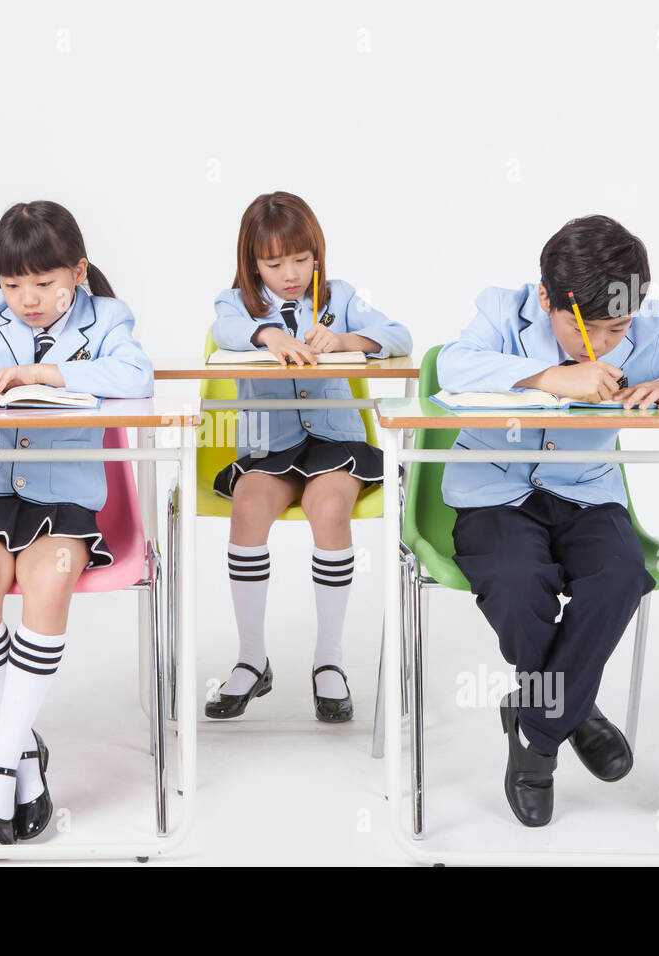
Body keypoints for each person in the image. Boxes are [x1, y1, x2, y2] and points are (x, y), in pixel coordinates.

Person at [438, 214, 659, 826]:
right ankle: (574, 710)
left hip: (587, 492)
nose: (601, 345)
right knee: (521, 582)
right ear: (547, 298)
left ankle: (536, 732)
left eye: (617, 329)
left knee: (621, 576)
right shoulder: (503, 312)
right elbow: (453, 368)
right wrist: (549, 376)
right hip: (493, 493)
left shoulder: (650, 330)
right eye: (588, 331)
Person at [0, 200, 152, 844]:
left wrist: (45, 372)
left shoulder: (109, 317)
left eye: (43, 283)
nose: (27, 299)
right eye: (14, 285)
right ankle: (24, 764)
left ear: (78, 270)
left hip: (65, 496)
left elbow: (135, 375)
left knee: (47, 582)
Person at [206, 191, 411, 722]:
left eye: (301, 259)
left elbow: (398, 336)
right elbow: (222, 332)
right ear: (252, 264)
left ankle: (329, 660)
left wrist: (345, 339)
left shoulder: (339, 297)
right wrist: (268, 333)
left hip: (334, 441)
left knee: (328, 510)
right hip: (266, 444)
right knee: (248, 510)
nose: (290, 274)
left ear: (317, 255)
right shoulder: (237, 306)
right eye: (274, 264)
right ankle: (252, 658)